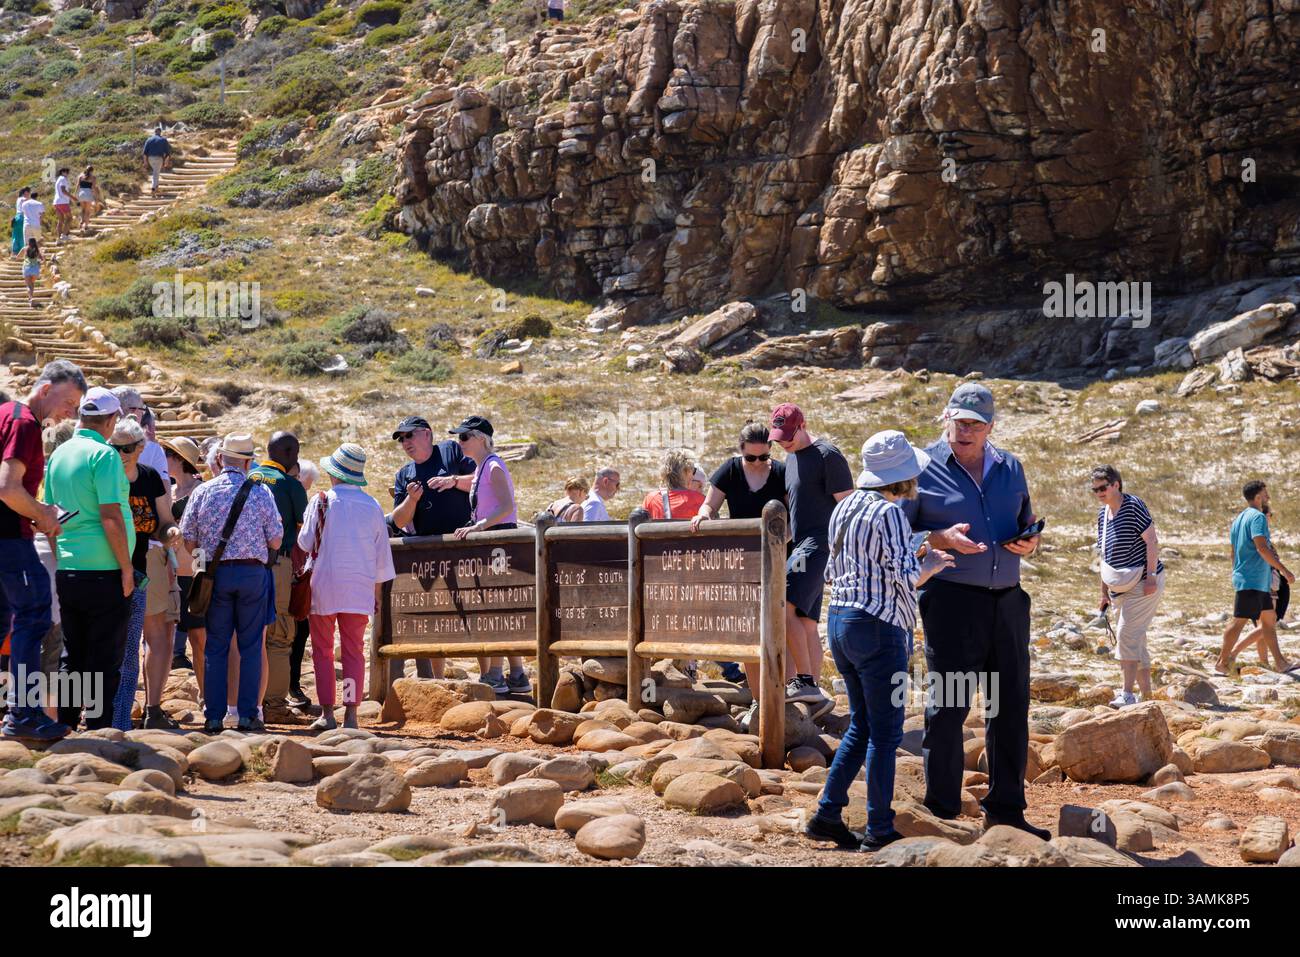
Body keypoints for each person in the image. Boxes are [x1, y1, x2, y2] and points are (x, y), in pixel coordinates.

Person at [898, 383, 1046, 839]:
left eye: (975, 425)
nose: (965, 431)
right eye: (959, 422)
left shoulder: (1011, 467)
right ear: (945, 418)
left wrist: (1031, 541)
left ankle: (1006, 810)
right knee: (949, 705)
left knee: (1009, 706)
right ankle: (941, 811)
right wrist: (940, 538)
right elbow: (898, 532)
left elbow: (1027, 522)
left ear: (990, 428)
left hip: (1008, 601)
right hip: (950, 600)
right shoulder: (919, 468)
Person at [805, 431, 954, 852]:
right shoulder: (889, 514)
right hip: (879, 627)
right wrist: (934, 562)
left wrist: (925, 543)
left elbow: (839, 569)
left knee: (862, 725)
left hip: (840, 623)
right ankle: (879, 827)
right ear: (902, 479)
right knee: (886, 735)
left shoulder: (846, 506)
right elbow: (906, 576)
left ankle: (827, 814)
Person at [0, 360, 86, 740]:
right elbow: (7, 488)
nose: (71, 412)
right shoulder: (25, 422)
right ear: (46, 389)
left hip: (8, 533)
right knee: (34, 615)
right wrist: (45, 516)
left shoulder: (6, 413)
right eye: (69, 402)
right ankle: (23, 712)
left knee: (4, 621)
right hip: (8, 539)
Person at [44, 387, 135, 733]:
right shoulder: (105, 455)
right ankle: (100, 731)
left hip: (69, 568)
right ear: (111, 421)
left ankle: (66, 725)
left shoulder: (59, 454)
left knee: (73, 653)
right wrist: (126, 568)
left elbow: (51, 517)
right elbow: (111, 515)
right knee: (104, 656)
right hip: (105, 569)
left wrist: (63, 559)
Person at [179, 433, 282, 734]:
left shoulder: (203, 491)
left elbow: (188, 539)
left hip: (216, 575)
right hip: (252, 574)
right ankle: (249, 715)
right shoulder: (261, 492)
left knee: (216, 646)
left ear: (221, 458)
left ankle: (214, 715)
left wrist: (202, 567)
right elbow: (276, 538)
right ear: (249, 462)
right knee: (251, 645)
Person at [692, 422, 789, 710]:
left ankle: (786, 694)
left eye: (763, 457)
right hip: (743, 560)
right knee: (750, 628)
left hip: (779, 557)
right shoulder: (731, 470)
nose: (757, 463)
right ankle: (759, 697)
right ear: (741, 452)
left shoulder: (782, 472)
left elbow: (793, 515)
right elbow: (710, 505)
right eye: (751, 458)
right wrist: (704, 516)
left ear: (770, 450)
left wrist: (785, 539)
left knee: (781, 624)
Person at [298, 445, 395, 732]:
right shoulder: (373, 506)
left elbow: (304, 543)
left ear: (334, 474)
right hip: (359, 587)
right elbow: (381, 556)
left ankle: (327, 711)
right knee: (354, 652)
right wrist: (376, 594)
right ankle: (351, 713)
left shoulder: (321, 501)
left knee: (322, 651)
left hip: (324, 585)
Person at [769, 403, 853, 714]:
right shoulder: (791, 459)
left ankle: (803, 681)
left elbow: (848, 508)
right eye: (778, 438)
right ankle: (813, 693)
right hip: (802, 544)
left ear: (803, 425)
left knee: (783, 605)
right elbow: (798, 510)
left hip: (819, 545)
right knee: (805, 620)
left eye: (788, 436)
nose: (784, 443)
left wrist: (841, 555)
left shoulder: (827, 455)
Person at [388, 415, 476, 681]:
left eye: (409, 435)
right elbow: (400, 520)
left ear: (427, 434)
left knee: (479, 612)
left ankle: (492, 676)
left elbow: (480, 479)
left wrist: (452, 481)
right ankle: (437, 680)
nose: (405, 443)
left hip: (468, 547)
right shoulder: (405, 474)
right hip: (428, 554)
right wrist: (412, 500)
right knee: (432, 617)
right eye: (401, 439)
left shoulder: (450, 451)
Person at [109, 418, 181, 731]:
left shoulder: (150, 478)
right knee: (112, 644)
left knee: (148, 637)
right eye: (115, 447)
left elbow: (164, 522)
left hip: (143, 563)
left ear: (140, 447)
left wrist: (172, 532)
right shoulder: (105, 472)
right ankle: (105, 712)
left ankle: (142, 710)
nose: (120, 453)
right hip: (106, 564)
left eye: (127, 447)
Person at [451, 416, 530, 695]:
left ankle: (496, 673)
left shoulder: (493, 465)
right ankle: (517, 673)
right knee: (501, 605)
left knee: (496, 607)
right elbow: (474, 485)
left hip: (498, 541)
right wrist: (450, 482)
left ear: (480, 438)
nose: (459, 443)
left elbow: (507, 506)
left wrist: (479, 526)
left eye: (464, 437)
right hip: (494, 540)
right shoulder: (484, 466)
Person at [1091, 465, 1165, 705]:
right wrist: (1103, 593)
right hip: (1118, 588)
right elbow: (1105, 557)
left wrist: (1151, 576)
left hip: (1143, 583)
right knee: (1136, 639)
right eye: (1095, 489)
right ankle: (1146, 696)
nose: (1100, 492)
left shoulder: (1133, 506)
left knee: (1126, 635)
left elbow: (1151, 540)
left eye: (1103, 487)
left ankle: (1127, 694)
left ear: (1116, 485)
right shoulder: (1102, 515)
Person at [249, 431, 308, 722]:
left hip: (244, 565)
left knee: (246, 633)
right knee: (279, 634)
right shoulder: (290, 486)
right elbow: (303, 534)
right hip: (278, 565)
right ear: (292, 455)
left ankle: (245, 703)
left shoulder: (249, 478)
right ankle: (273, 705)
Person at [1219, 481, 1297, 674]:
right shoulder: (1257, 518)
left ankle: (1280, 663)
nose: (1268, 497)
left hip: (1254, 579)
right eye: (1265, 494)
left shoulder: (1239, 519)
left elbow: (1233, 552)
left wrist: (1236, 572)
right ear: (1257, 497)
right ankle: (1222, 662)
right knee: (1238, 622)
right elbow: (1262, 547)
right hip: (1252, 579)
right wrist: (1284, 570)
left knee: (1269, 620)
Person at [163, 437, 204, 688]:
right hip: (169, 571)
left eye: (167, 454)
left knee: (200, 638)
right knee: (164, 635)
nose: (163, 459)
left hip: (194, 572)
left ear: (179, 459)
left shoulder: (201, 490)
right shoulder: (168, 490)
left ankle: (204, 692)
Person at [287, 459, 318, 709]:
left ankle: (292, 683)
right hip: (288, 573)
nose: (304, 493)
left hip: (302, 579)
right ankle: (286, 685)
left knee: (300, 632)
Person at [112, 388, 169, 490]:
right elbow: (164, 492)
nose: (143, 415)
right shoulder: (153, 450)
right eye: (142, 410)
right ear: (133, 411)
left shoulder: (99, 443)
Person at [641, 448, 706, 520]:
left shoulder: (651, 499)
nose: (693, 475)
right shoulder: (699, 500)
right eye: (693, 470)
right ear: (686, 471)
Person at [143, 126, 172, 194]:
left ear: (155, 132)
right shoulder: (163, 140)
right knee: (156, 173)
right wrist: (166, 162)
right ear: (160, 132)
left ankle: (156, 187)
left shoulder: (149, 139)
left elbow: (144, 153)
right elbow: (168, 153)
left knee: (156, 171)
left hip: (150, 159)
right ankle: (153, 188)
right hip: (159, 158)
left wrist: (145, 162)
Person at [76, 167, 101, 234]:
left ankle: (81, 221)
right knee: (87, 211)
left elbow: (77, 186)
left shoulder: (80, 176)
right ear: (92, 171)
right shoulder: (93, 178)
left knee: (82, 209)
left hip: (81, 193)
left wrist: (76, 195)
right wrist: (96, 197)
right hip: (88, 193)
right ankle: (86, 225)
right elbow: (93, 187)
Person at [52, 168, 72, 244]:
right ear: (63, 172)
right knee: (69, 218)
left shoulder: (58, 179)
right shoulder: (63, 179)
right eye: (66, 172)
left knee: (61, 220)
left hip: (56, 202)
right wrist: (72, 197)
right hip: (63, 201)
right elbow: (63, 190)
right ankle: (64, 235)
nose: (67, 174)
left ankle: (58, 239)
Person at [21, 238, 41, 308]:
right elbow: (42, 259)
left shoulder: (25, 249)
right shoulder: (37, 250)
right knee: (32, 284)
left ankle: (30, 299)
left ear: (28, 242)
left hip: (27, 269)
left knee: (28, 286)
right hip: (35, 270)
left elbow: (17, 257)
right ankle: (31, 299)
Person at [10, 187, 27, 256]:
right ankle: (21, 252)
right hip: (22, 218)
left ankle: (14, 252)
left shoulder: (18, 199)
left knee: (15, 235)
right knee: (22, 235)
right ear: (25, 193)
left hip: (16, 218)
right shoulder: (23, 199)